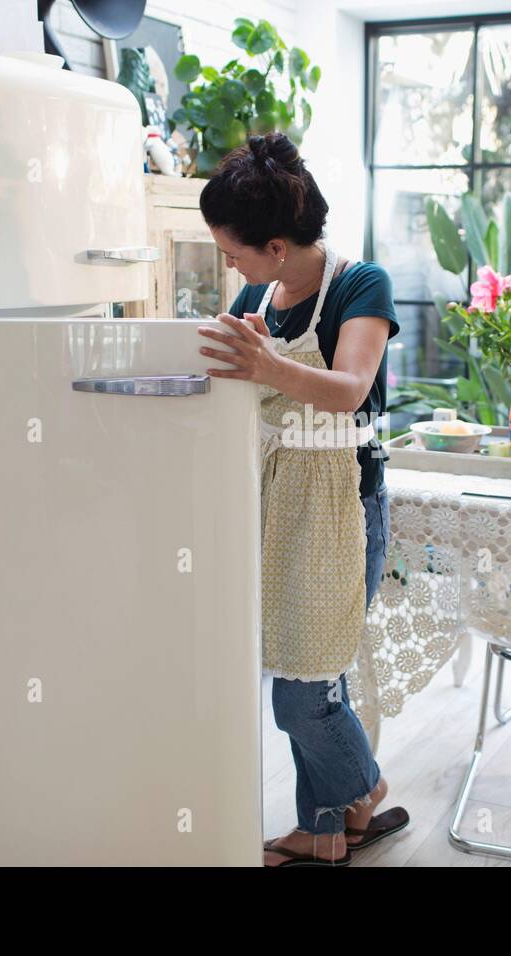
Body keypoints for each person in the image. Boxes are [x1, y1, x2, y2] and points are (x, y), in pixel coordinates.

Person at [197, 133, 408, 866]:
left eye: (233, 252)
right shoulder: (259, 294)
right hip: (276, 498)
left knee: (301, 689)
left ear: (277, 245)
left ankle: (363, 787)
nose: (230, 266)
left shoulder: (361, 284)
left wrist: (263, 362)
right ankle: (324, 829)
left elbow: (350, 392)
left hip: (344, 506)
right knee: (306, 665)